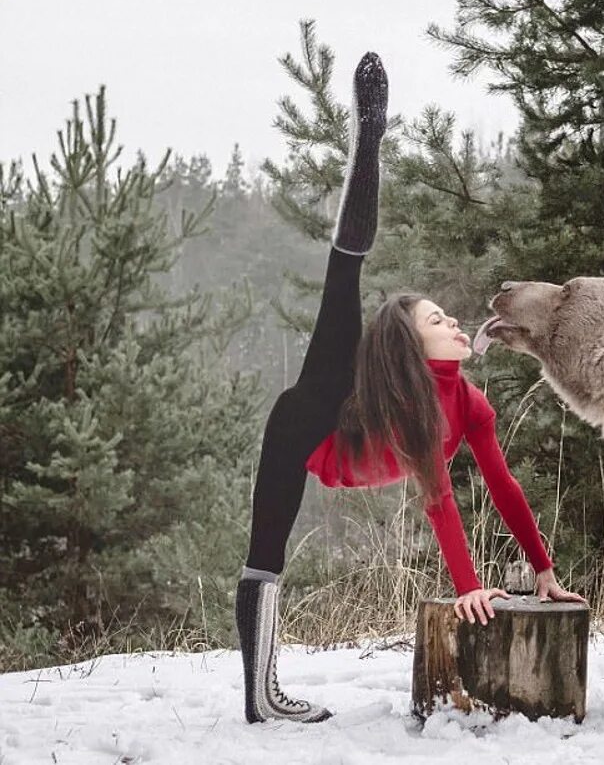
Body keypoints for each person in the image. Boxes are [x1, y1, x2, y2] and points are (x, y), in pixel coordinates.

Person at [235, 52, 582, 725]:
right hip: (315, 426)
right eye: (437, 320)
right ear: (413, 344)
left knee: (346, 318)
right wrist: (469, 587)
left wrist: (541, 568)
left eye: (450, 317)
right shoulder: (407, 396)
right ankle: (370, 138)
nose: (454, 321)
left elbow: (502, 488)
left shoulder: (468, 406)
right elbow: (439, 499)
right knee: (343, 287)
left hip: (363, 428)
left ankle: (369, 142)